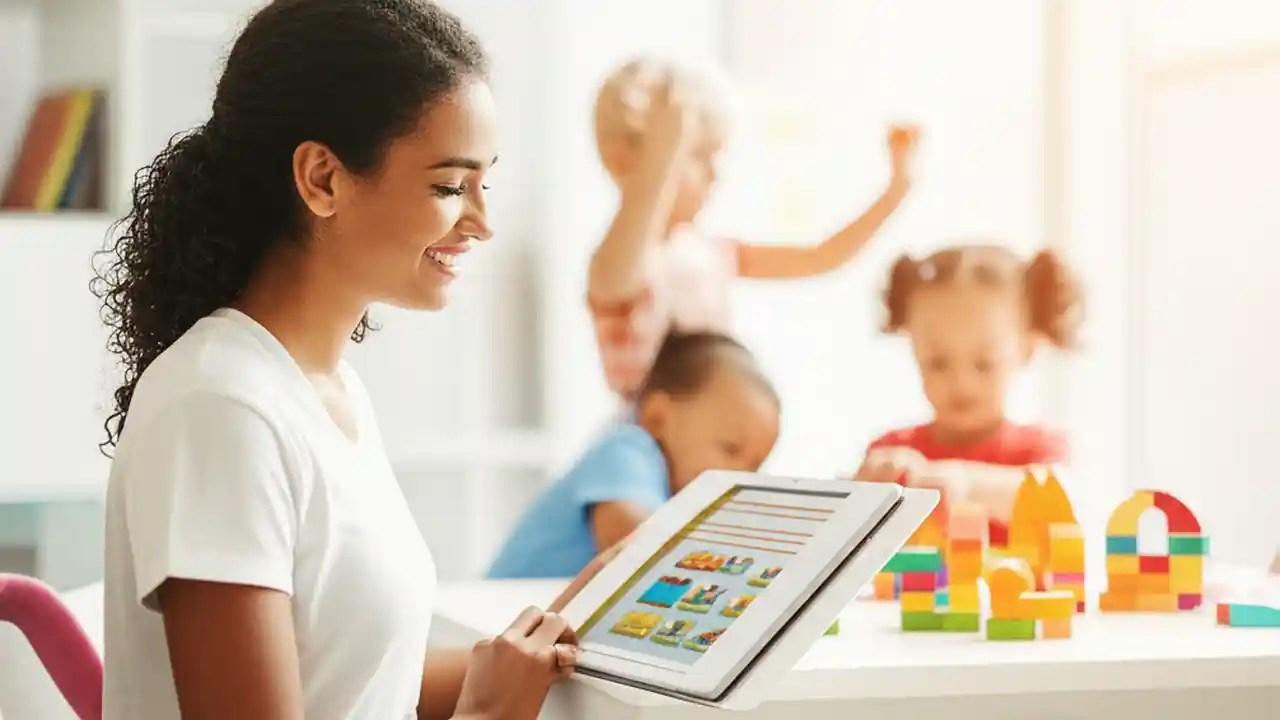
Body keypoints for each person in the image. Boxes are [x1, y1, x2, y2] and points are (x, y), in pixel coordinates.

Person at [93, 2, 596, 718]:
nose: (483, 221)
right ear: (322, 178)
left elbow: (351, 679)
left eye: (485, 183)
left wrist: (559, 642)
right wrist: (487, 715)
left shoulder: (326, 392)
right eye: (451, 186)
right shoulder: (221, 409)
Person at [588, 56, 919, 405]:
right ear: (622, 161)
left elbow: (820, 257)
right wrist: (667, 147)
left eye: (717, 154)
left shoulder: (712, 253)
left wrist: (896, 189)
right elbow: (625, 253)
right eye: (696, 154)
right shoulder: (622, 263)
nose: (716, 172)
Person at [487, 333, 780, 579]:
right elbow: (637, 549)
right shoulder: (626, 449)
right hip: (485, 622)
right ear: (658, 418)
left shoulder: (673, 497)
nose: (742, 477)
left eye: (755, 467)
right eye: (729, 449)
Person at [854, 245, 1083, 544]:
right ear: (913, 349)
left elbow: (1058, 502)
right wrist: (861, 496)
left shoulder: (1040, 449)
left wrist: (962, 482)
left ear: (1026, 349)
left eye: (984, 364)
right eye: (937, 363)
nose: (962, 383)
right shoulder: (890, 452)